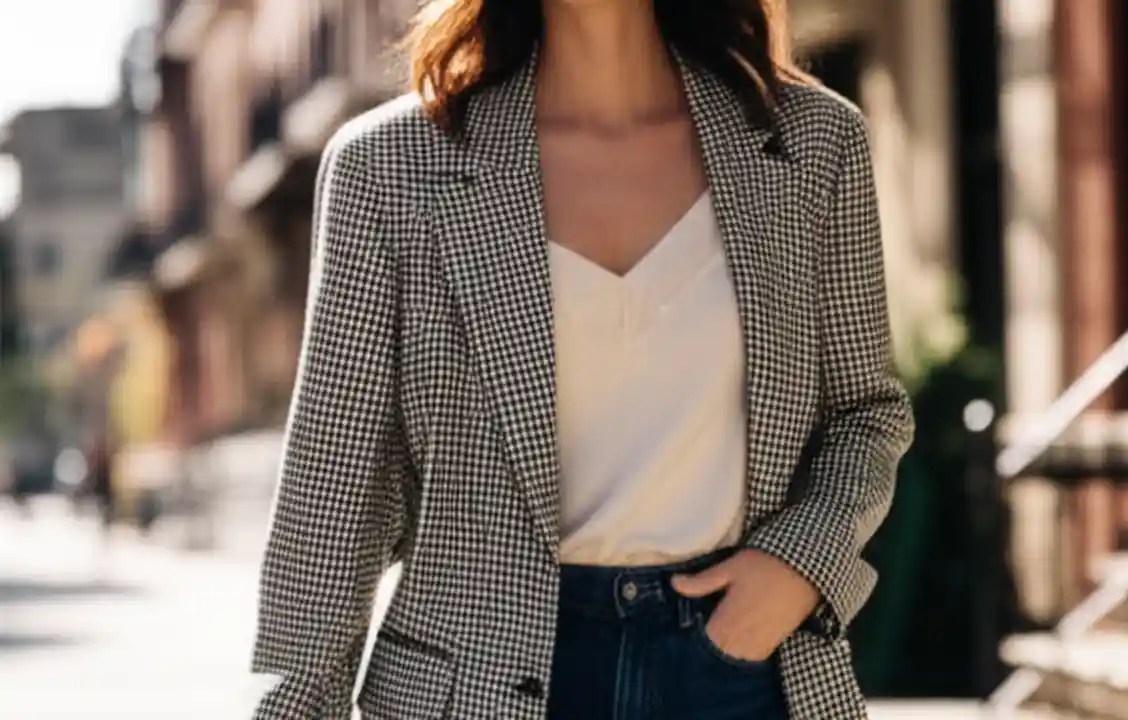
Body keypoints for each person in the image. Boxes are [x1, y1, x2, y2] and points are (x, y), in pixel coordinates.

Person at [249, 1, 914, 718]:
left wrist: (798, 565)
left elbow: (864, 415)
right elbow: (335, 486)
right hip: (479, 681)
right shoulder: (388, 168)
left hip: (741, 675)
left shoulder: (814, 143)